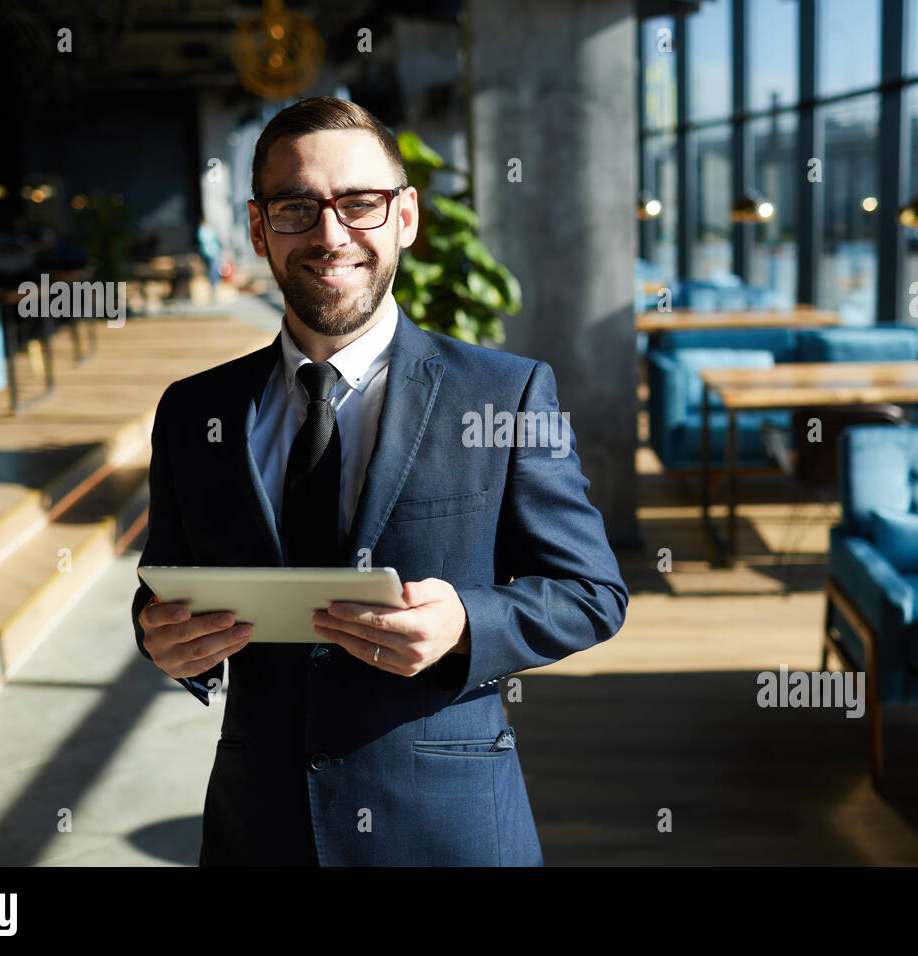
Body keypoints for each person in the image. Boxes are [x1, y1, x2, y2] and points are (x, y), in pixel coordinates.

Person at [130, 96, 627, 866]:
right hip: (258, 830)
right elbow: (166, 583)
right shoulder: (194, 410)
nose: (331, 236)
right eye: (297, 207)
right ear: (259, 228)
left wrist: (467, 620)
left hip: (447, 831)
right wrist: (158, 636)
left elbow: (592, 593)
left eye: (359, 204)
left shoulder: (506, 393)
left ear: (405, 217)